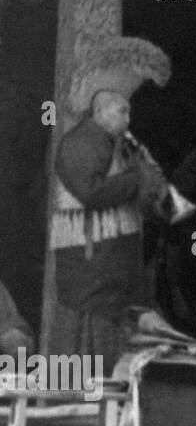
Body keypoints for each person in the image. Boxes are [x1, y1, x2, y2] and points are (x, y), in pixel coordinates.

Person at [50, 37, 171, 372]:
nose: (128, 120)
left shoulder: (117, 146)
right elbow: (91, 192)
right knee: (90, 362)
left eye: (129, 111)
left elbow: (139, 199)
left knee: (115, 363)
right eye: (122, 111)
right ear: (100, 111)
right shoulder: (79, 143)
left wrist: (157, 194)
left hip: (115, 271)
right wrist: (135, 179)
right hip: (92, 271)